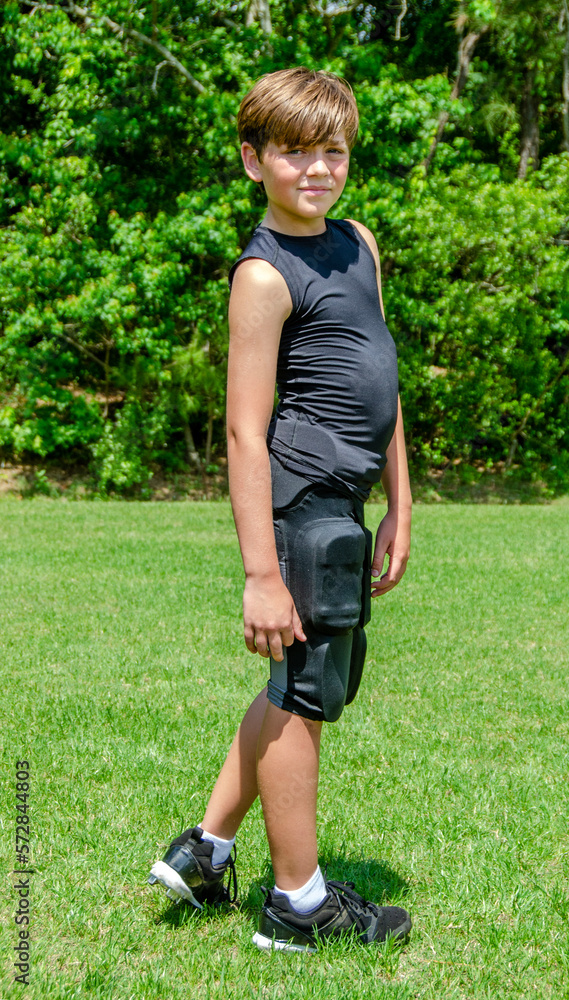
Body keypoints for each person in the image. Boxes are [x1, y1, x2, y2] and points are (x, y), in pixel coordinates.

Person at [148, 66, 413, 953]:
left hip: (349, 498)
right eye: (294, 151)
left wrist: (402, 499)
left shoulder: (359, 243)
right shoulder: (264, 276)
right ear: (252, 160)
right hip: (301, 507)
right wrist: (263, 571)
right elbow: (242, 432)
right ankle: (297, 906)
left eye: (332, 150)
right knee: (304, 696)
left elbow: (384, 375)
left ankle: (207, 852)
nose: (317, 169)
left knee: (298, 685)